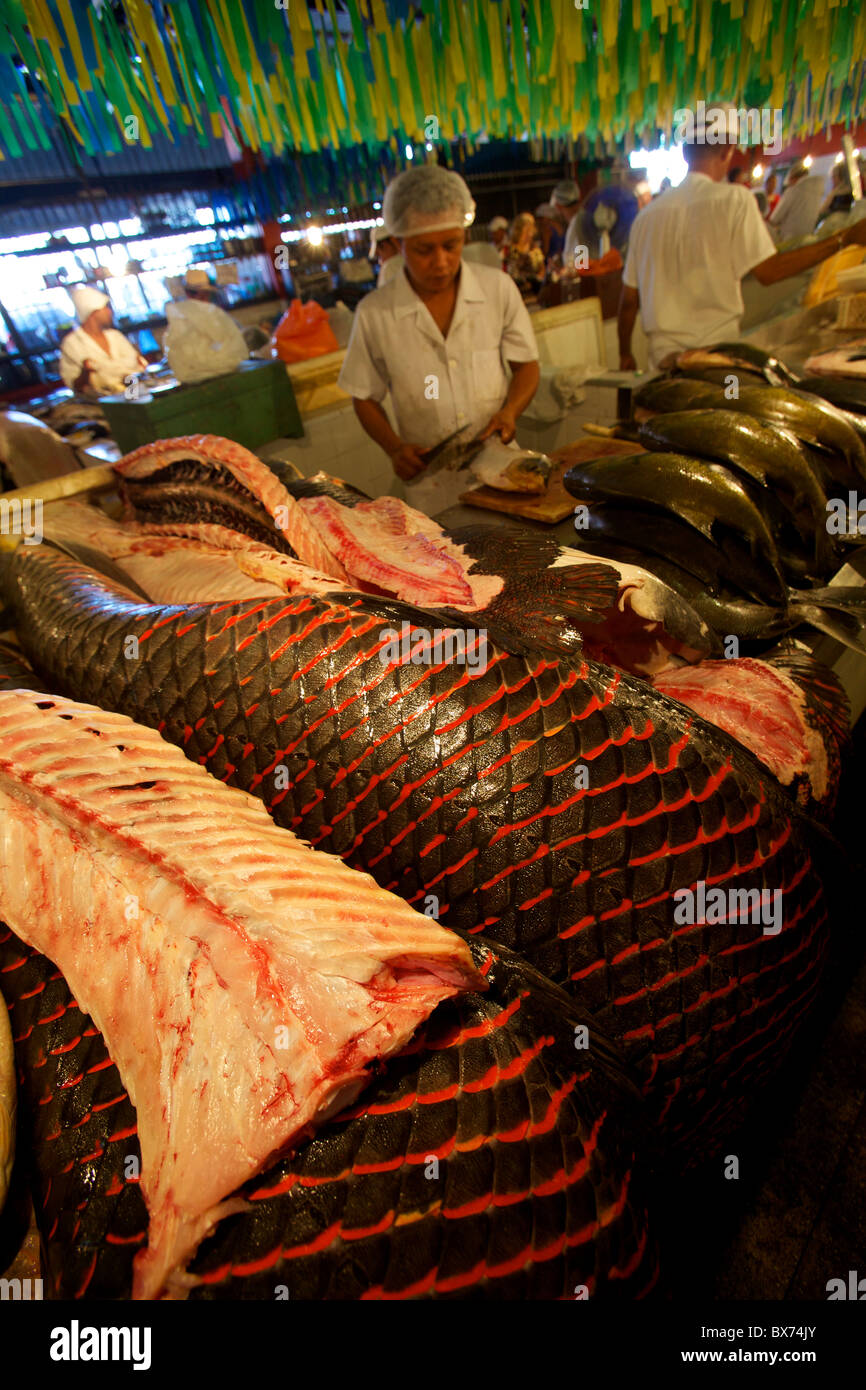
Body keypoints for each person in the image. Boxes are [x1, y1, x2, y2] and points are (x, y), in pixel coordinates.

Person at [338, 164, 540, 516]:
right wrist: (394, 448)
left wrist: (509, 411)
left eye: (451, 245)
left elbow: (527, 366)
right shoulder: (375, 312)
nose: (441, 262)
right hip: (430, 490)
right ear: (399, 243)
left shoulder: (497, 289)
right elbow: (364, 396)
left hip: (501, 471)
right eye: (424, 249)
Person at [618, 125, 866, 371]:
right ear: (727, 151)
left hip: (663, 363)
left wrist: (625, 354)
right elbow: (770, 271)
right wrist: (843, 239)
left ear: (685, 153)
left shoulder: (646, 218)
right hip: (719, 359)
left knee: (665, 411)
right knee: (728, 404)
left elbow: (629, 300)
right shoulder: (736, 200)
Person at [59, 285, 146, 397]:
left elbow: (138, 364)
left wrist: (101, 371)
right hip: (101, 403)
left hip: (134, 394)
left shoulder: (115, 336)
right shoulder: (72, 343)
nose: (109, 312)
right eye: (105, 308)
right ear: (93, 313)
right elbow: (75, 385)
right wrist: (86, 372)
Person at [767, 161, 826, 243]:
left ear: (793, 178)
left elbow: (774, 218)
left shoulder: (793, 191)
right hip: (807, 239)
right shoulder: (817, 191)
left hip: (789, 240)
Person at [505, 213, 545, 298]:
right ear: (519, 230)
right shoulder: (510, 249)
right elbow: (510, 272)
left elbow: (542, 269)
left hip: (535, 292)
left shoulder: (535, 249)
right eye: (526, 229)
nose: (529, 233)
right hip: (517, 292)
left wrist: (538, 278)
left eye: (530, 229)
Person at [550, 178, 583, 271]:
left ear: (558, 206)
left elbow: (582, 266)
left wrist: (560, 272)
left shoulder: (579, 226)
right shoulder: (577, 223)